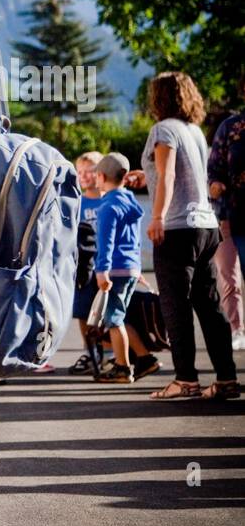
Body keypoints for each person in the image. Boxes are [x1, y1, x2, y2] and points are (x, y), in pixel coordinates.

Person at [125, 73, 238, 401]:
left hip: (176, 229)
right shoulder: (194, 132)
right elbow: (184, 177)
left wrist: (157, 216)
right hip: (205, 226)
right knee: (209, 305)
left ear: (159, 98)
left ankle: (186, 379)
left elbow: (169, 173)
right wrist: (145, 177)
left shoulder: (163, 129)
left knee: (175, 306)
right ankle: (227, 378)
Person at [91, 154, 147, 383]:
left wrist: (101, 270)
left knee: (114, 319)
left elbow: (106, 242)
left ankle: (123, 368)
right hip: (130, 266)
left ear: (101, 176)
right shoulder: (130, 200)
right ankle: (123, 363)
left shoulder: (108, 206)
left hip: (114, 270)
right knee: (117, 317)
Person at [207, 99, 245, 350]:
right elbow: (214, 171)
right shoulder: (231, 128)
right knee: (229, 277)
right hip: (230, 215)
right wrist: (215, 186)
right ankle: (237, 329)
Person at [68, 151, 106, 375]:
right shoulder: (76, 202)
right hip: (84, 268)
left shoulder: (110, 198)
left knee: (107, 313)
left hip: (107, 266)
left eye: (89, 171)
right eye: (79, 172)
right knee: (83, 313)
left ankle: (110, 352)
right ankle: (90, 351)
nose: (83, 176)